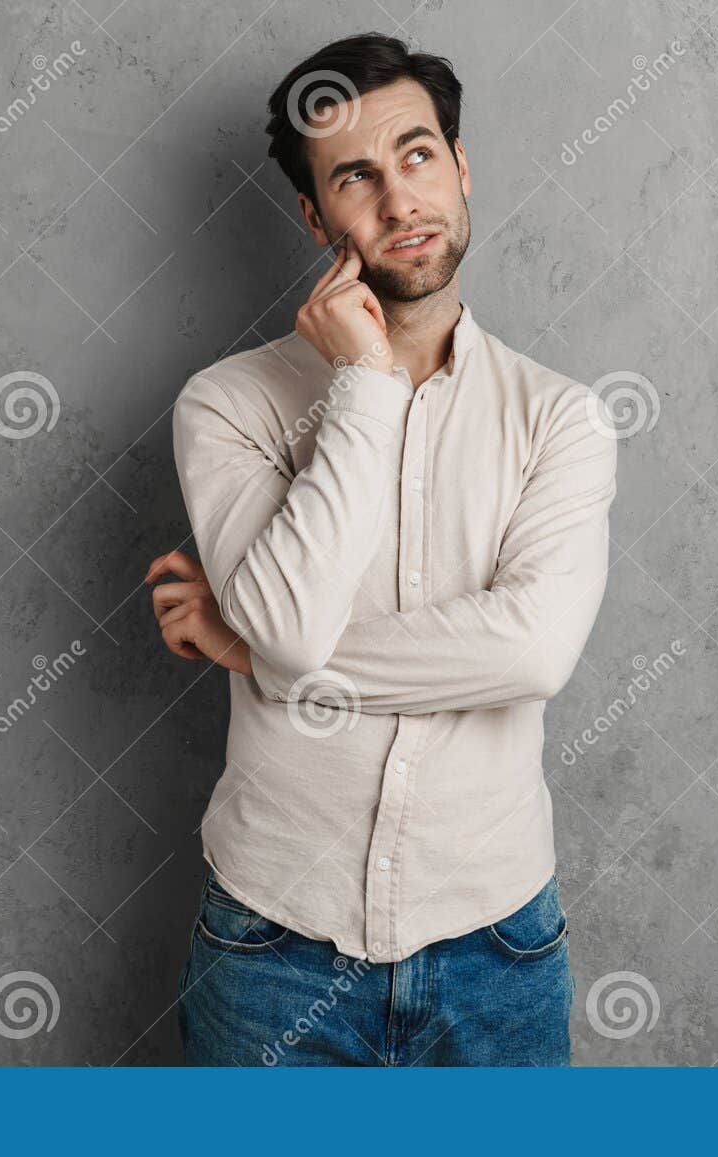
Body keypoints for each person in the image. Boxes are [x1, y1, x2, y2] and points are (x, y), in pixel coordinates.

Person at [146, 31, 618, 1066]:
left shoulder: (561, 418)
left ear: (461, 167)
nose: (401, 201)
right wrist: (363, 382)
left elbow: (531, 651)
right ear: (315, 217)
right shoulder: (227, 406)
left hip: (496, 944)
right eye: (356, 177)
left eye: (417, 155)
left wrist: (252, 651)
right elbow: (293, 626)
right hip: (270, 941)